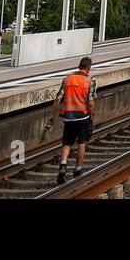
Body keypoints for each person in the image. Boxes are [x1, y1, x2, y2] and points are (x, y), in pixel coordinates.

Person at [45, 56, 96, 185]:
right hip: (83, 117)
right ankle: (78, 169)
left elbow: (58, 99)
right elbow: (90, 102)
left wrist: (52, 115)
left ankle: (63, 164)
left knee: (67, 142)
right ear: (88, 68)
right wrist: (92, 114)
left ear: (79, 66)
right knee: (82, 142)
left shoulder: (67, 79)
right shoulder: (89, 81)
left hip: (68, 117)